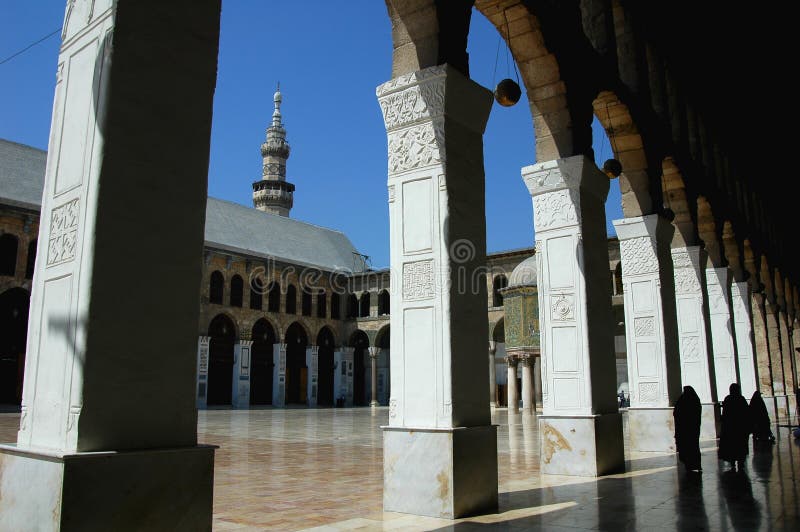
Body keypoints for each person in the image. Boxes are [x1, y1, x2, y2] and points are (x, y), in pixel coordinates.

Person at [719, 383, 751, 472]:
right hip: (740, 428)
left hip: (730, 427)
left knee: (731, 445)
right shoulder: (741, 399)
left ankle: (732, 462)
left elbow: (725, 414)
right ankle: (741, 463)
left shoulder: (728, 399)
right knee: (740, 445)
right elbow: (746, 413)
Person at [674, 385, 702, 472]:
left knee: (686, 447)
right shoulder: (695, 400)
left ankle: (688, 465)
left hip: (683, 430)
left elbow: (676, 413)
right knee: (694, 447)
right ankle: (696, 465)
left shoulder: (682, 400)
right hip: (693, 429)